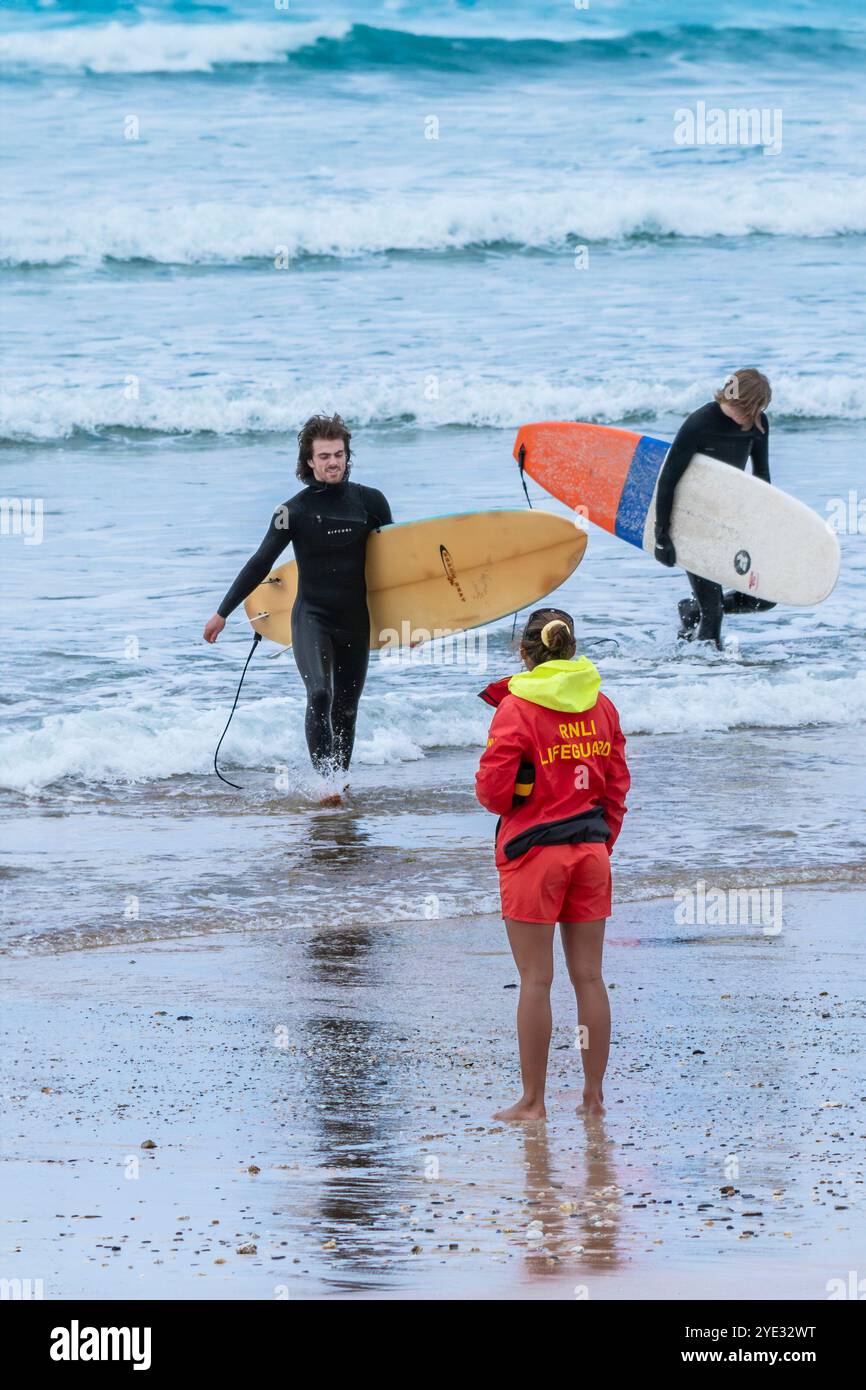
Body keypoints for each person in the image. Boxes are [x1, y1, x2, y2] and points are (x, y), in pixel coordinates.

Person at [475, 608, 630, 1121]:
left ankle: (534, 1102)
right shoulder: (602, 704)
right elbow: (616, 787)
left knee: (536, 980)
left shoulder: (516, 709)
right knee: (589, 977)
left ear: (525, 652)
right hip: (589, 851)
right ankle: (592, 1098)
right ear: (571, 647)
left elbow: (494, 796)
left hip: (533, 855)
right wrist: (602, 845)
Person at [203, 414, 392, 777]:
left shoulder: (371, 502)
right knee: (321, 694)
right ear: (309, 460)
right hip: (312, 617)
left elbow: (396, 569)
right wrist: (222, 612)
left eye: (338, 454)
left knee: (347, 709)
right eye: (324, 456)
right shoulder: (292, 511)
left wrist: (414, 622)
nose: (333, 462)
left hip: (356, 619)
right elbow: (261, 561)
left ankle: (340, 782)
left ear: (346, 455)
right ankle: (326, 785)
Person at [654, 368, 776, 648]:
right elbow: (668, 478)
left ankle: (692, 611)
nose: (749, 418)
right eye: (746, 410)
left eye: (756, 411)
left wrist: (764, 529)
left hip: (729, 522)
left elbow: (762, 478)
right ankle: (707, 681)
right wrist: (662, 535)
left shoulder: (758, 424)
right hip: (693, 522)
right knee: (713, 618)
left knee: (764, 598)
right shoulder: (700, 423)